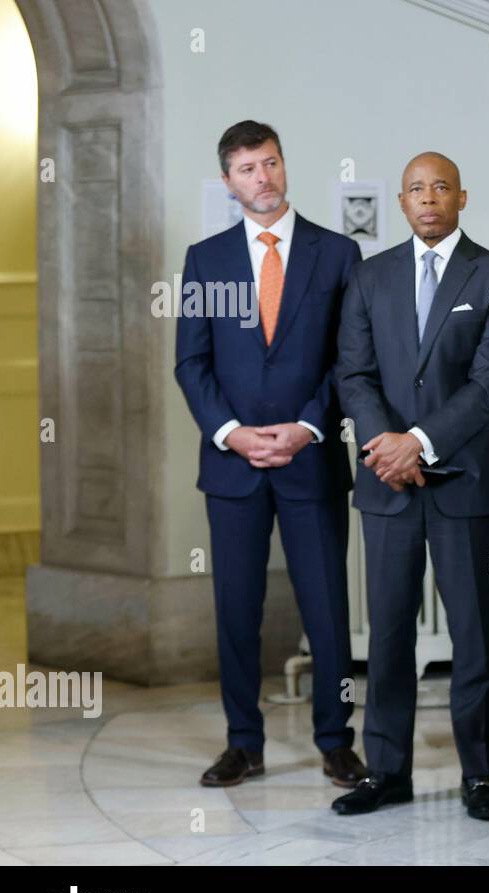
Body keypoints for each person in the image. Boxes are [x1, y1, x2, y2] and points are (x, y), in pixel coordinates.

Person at [333, 152, 489, 819]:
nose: (428, 197)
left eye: (440, 187)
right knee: (387, 633)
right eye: (416, 188)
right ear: (402, 200)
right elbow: (352, 375)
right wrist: (387, 444)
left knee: (473, 633)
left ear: (461, 198)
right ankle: (387, 770)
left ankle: (480, 774)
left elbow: (487, 385)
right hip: (388, 486)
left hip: (464, 483)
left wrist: (417, 443)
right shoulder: (369, 277)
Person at [174, 120, 366, 789]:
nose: (264, 177)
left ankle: (337, 742)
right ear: (229, 181)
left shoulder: (338, 255)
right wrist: (231, 431)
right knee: (236, 611)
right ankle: (243, 743)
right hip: (232, 467)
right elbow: (190, 363)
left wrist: (307, 427)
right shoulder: (206, 260)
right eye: (248, 168)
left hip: (310, 460)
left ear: (285, 167)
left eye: (272, 163)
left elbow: (351, 362)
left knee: (328, 609)